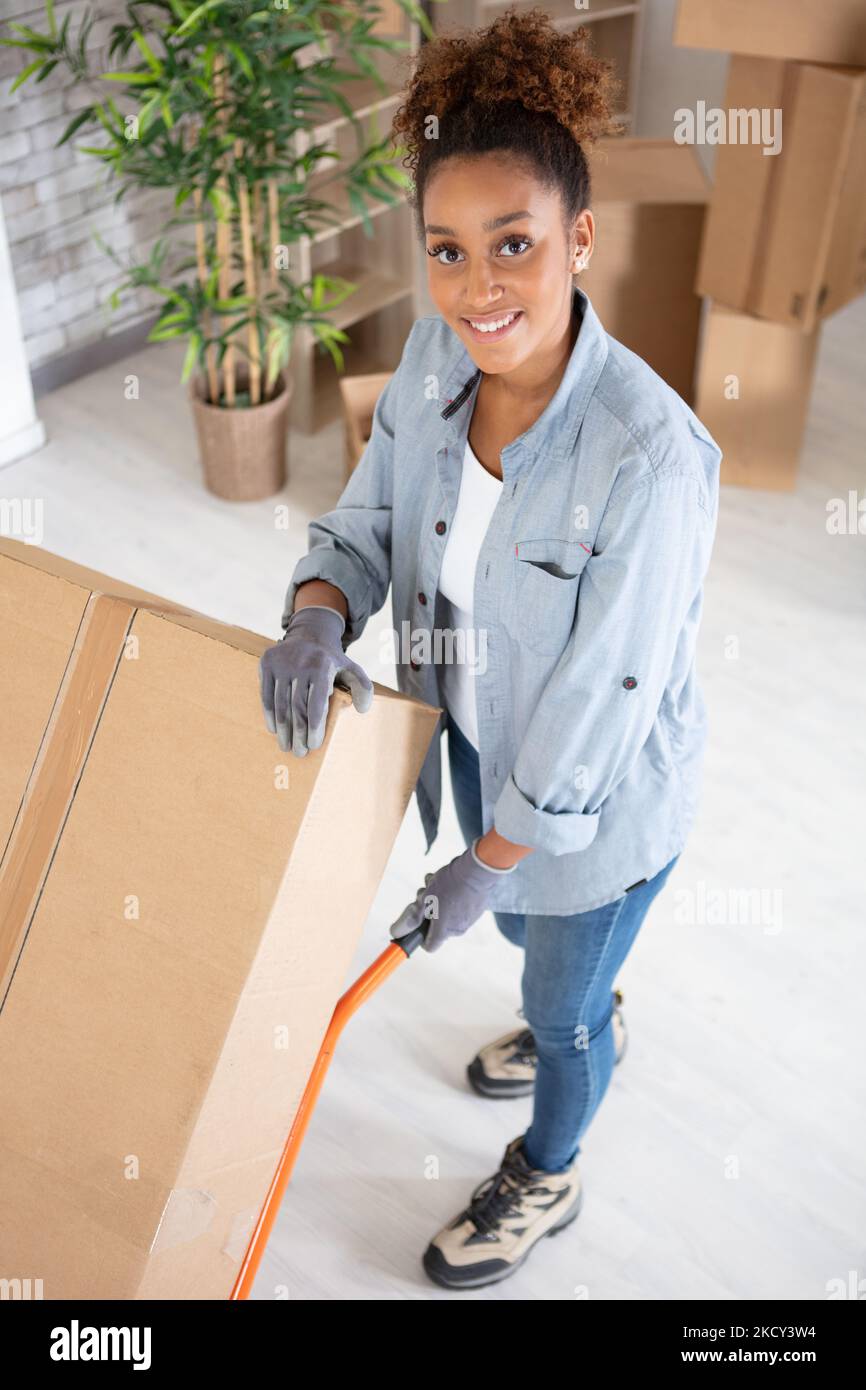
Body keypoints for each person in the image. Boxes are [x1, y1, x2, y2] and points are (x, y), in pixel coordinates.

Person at [259, 7, 722, 1291]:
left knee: (559, 1001)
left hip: (592, 808)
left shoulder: (647, 461)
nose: (477, 290)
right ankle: (579, 988)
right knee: (530, 950)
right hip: (473, 742)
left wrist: (486, 866)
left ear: (578, 236)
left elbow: (592, 716)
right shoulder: (425, 362)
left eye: (513, 246)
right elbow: (362, 523)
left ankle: (551, 1163)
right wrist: (313, 614)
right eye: (448, 253)